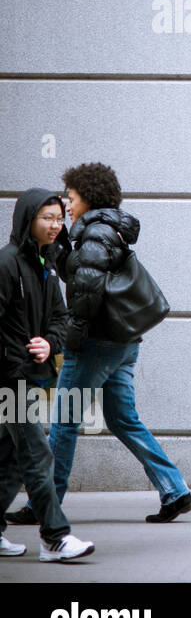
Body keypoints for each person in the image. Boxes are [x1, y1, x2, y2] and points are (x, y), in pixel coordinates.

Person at [45, 163, 191, 524]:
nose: (68, 203)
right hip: (123, 342)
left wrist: (71, 340)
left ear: (89, 197)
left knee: (64, 422)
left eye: (72, 197)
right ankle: (175, 490)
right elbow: (85, 275)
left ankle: (44, 504)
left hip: (97, 344)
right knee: (124, 419)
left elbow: (87, 293)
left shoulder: (95, 234)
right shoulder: (108, 231)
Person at [0, 190, 95, 562]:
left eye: (59, 218)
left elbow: (62, 318)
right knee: (38, 455)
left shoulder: (48, 263)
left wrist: (48, 344)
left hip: (31, 374)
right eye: (47, 218)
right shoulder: (7, 264)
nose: (56, 225)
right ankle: (55, 538)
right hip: (10, 379)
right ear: (28, 220)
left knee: (8, 460)